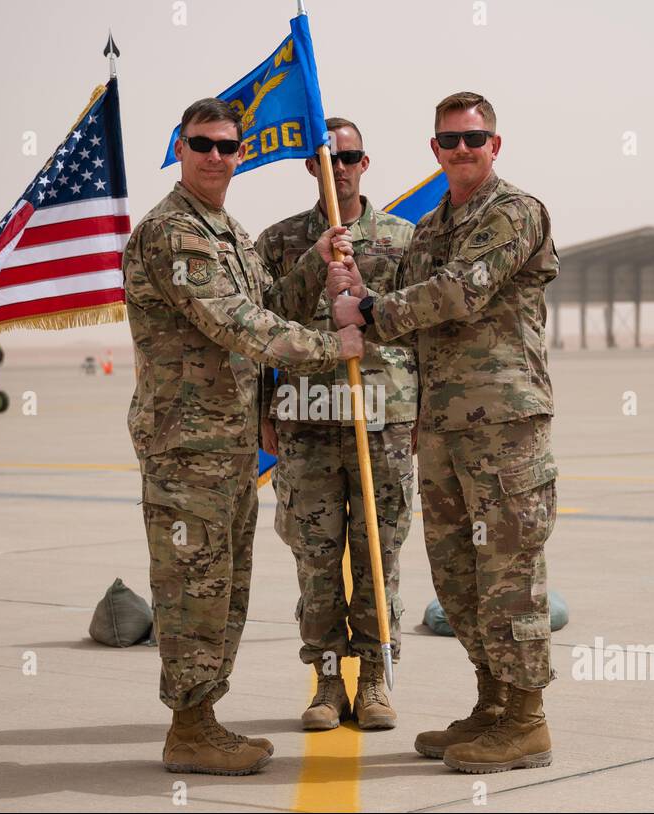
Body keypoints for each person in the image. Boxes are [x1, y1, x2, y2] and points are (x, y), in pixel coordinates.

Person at [124, 98, 363, 776]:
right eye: (202, 144)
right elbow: (235, 323)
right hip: (186, 446)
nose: (216, 157)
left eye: (229, 146)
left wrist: (317, 262)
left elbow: (267, 303)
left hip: (227, 444)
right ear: (181, 146)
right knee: (192, 588)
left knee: (225, 586)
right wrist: (330, 345)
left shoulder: (225, 230)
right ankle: (189, 727)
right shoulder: (174, 232)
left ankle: (204, 720)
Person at [327, 92, 561, 774]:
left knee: (510, 576)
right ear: (434, 150)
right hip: (444, 429)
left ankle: (527, 720)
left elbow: (458, 292)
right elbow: (399, 297)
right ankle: (491, 705)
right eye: (450, 140)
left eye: (475, 138)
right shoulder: (429, 229)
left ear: (496, 145)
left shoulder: (514, 212)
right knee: (460, 577)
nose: (463, 149)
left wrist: (367, 309)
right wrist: (343, 266)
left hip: (505, 429)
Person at [254, 118, 417, 731]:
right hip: (306, 421)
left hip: (383, 420)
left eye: (349, 156)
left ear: (365, 163)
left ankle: (375, 678)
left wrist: (421, 410)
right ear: (311, 166)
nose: (339, 167)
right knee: (315, 556)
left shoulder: (404, 239)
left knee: (379, 554)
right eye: (329, 158)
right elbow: (257, 327)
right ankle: (326, 681)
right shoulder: (279, 242)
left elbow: (424, 332)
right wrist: (262, 412)